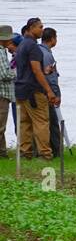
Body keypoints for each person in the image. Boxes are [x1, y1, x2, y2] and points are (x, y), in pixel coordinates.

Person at [15, 18, 57, 161]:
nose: (42, 30)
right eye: (40, 27)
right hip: (34, 91)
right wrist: (49, 90)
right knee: (41, 122)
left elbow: (28, 69)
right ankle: (45, 154)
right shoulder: (33, 47)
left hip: (20, 89)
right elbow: (35, 70)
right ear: (31, 28)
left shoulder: (21, 45)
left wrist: (45, 71)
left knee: (25, 123)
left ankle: (25, 152)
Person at [39, 27, 63, 157]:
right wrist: (56, 94)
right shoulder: (47, 55)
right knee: (53, 123)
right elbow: (51, 78)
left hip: (39, 92)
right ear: (52, 39)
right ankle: (55, 151)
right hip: (48, 94)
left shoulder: (38, 51)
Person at [0, 25, 16, 158]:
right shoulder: (0, 52)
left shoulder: (3, 51)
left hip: (3, 93)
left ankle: (3, 153)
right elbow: (4, 74)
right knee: (1, 126)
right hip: (2, 94)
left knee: (2, 126)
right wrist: (16, 71)